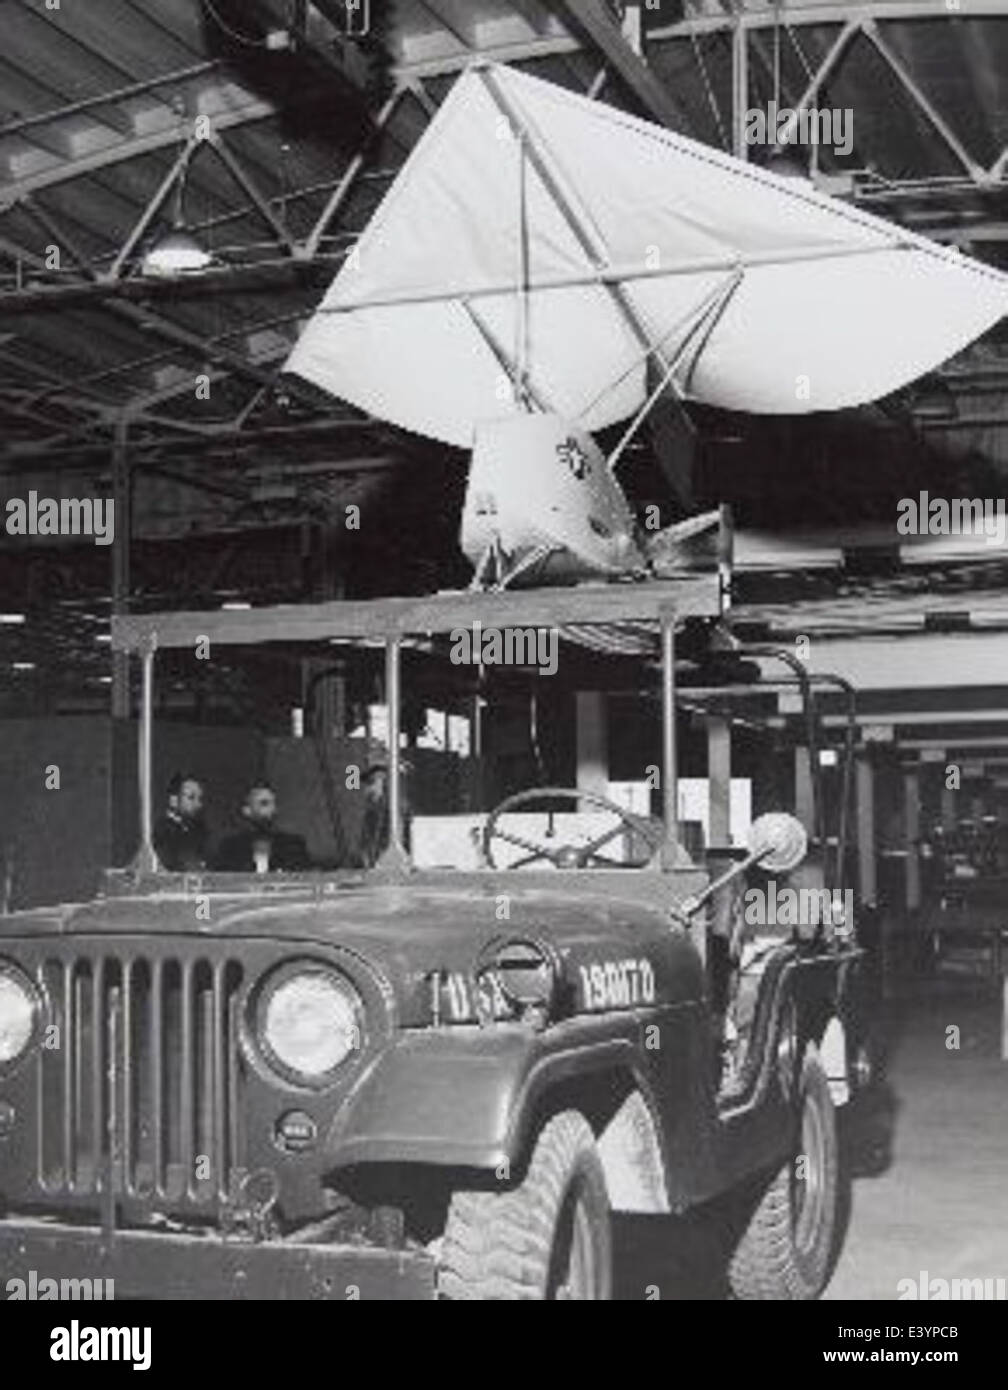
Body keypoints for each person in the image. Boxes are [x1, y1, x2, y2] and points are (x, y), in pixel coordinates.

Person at [214, 782, 310, 872]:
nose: (271, 809)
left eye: (273, 804)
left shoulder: (294, 845)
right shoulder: (230, 847)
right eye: (264, 803)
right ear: (247, 810)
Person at [153, 773, 209, 872]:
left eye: (200, 799)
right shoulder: (163, 830)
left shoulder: (199, 829)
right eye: (191, 798)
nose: (198, 804)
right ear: (173, 800)